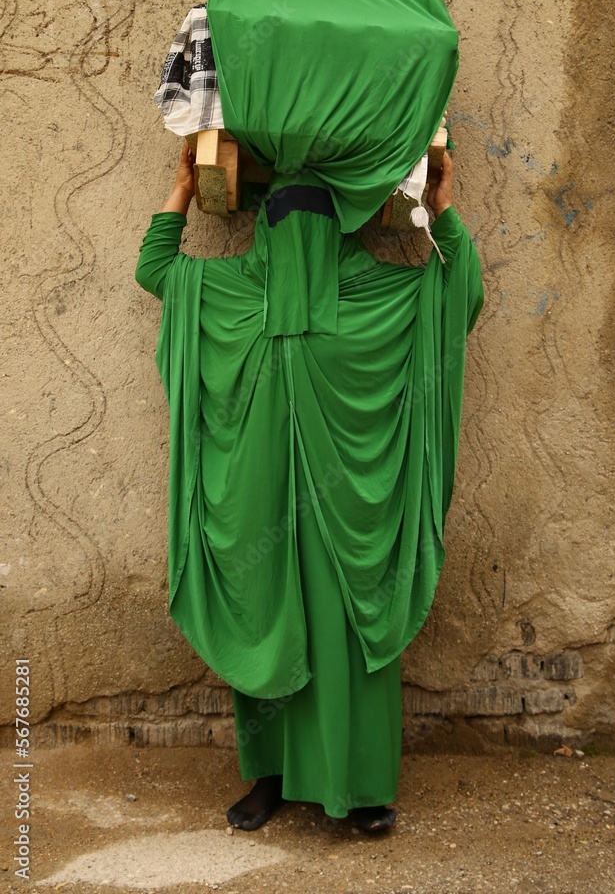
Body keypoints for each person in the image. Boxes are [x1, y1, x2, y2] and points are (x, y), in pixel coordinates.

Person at [135, 141, 483, 834]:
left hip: (350, 507)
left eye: (319, 218)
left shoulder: (372, 291)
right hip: (260, 498)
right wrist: (181, 184)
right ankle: (271, 779)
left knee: (349, 626)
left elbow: (456, 291)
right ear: (262, 225)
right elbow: (155, 271)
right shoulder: (233, 290)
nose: (301, 237)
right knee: (267, 613)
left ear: (346, 228)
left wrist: (441, 208)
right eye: (285, 217)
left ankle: (366, 787)